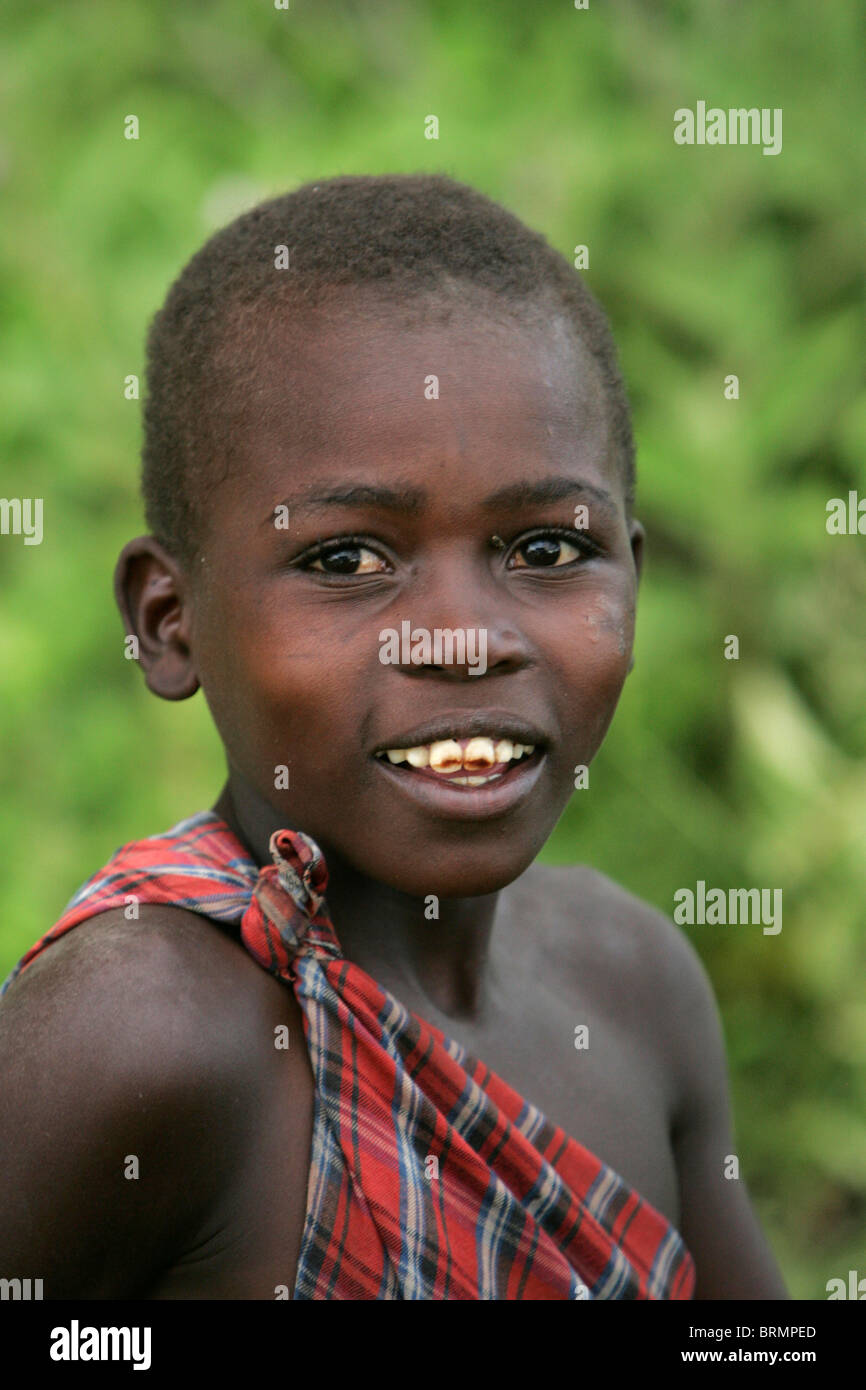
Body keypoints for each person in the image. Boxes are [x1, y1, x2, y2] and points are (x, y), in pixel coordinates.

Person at [0, 174, 788, 1299]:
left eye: (547, 550)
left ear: (634, 575)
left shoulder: (631, 982)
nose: (466, 642)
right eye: (346, 560)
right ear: (168, 624)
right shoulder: (141, 1028)